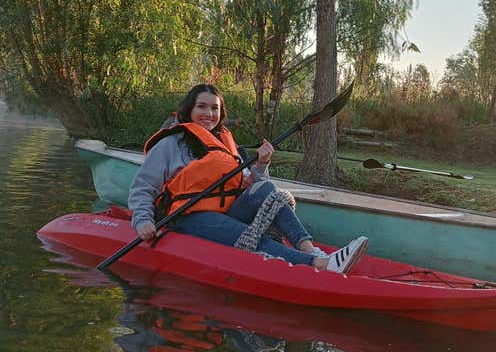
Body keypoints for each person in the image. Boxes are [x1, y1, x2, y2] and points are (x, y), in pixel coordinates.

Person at [128, 84, 368, 274]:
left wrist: (262, 165)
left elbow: (251, 186)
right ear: (189, 109)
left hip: (225, 211)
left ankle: (309, 248)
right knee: (251, 234)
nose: (208, 114)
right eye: (202, 106)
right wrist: (142, 221)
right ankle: (319, 265)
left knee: (268, 191)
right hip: (187, 217)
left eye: (215, 108)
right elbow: (143, 187)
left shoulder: (224, 145)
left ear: (221, 113)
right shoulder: (172, 144)